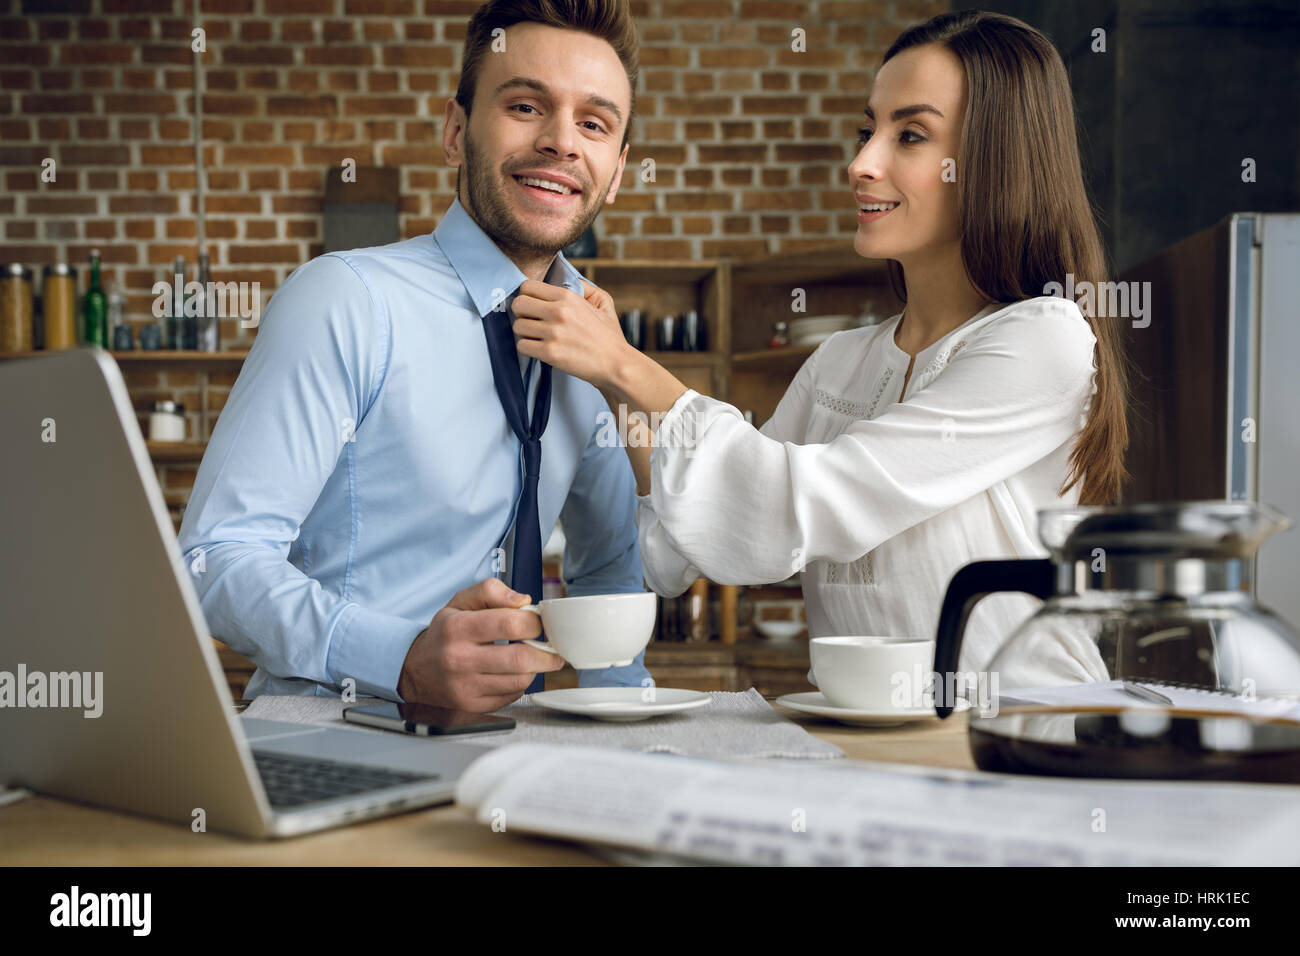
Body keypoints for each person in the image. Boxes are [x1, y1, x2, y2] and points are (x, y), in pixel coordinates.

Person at [511, 10, 1132, 682]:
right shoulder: (841, 361)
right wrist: (614, 382)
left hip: (1022, 738)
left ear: (994, 161)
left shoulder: (1043, 338)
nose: (862, 163)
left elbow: (801, 503)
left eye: (911, 136)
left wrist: (625, 363)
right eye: (869, 131)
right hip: (867, 744)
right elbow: (682, 547)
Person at [178, 0, 649, 712]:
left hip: (519, 760)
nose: (561, 141)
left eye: (594, 123)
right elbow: (213, 559)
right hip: (334, 741)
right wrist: (396, 659)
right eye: (526, 106)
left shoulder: (596, 342)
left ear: (616, 170)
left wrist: (627, 720)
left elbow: (609, 567)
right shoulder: (344, 300)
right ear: (457, 132)